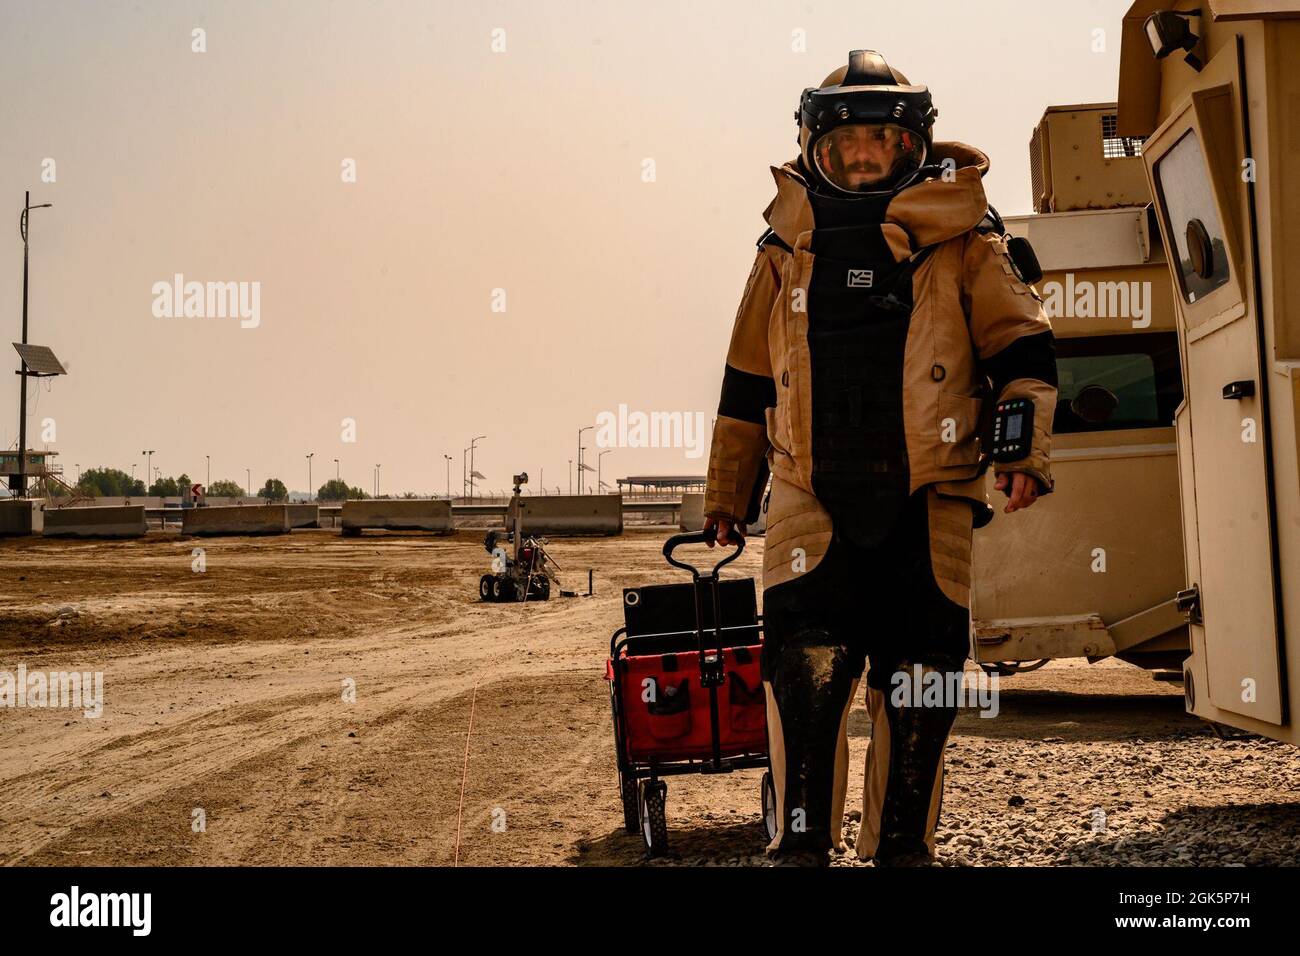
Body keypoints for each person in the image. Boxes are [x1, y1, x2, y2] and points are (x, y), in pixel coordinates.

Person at [702, 50, 1057, 866]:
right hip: (807, 496)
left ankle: (902, 847)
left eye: (880, 142)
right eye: (846, 145)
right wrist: (726, 493)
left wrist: (1023, 450)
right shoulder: (780, 248)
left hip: (928, 500)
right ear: (812, 149)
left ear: (914, 147)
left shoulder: (968, 238)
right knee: (805, 668)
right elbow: (743, 380)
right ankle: (801, 845)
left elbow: (1025, 350)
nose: (862, 158)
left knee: (923, 677)